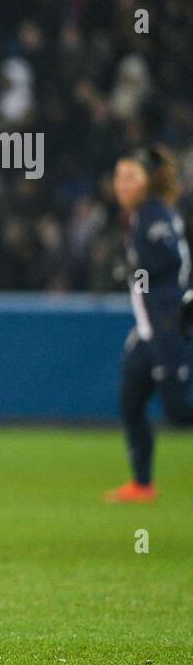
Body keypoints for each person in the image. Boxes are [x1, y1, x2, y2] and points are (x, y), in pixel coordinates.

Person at [106, 145, 193, 503]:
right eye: (118, 177)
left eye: (130, 178)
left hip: (169, 324)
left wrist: (134, 271)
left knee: (179, 411)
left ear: (148, 182)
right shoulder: (141, 215)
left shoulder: (155, 214)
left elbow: (168, 259)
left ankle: (142, 483)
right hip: (148, 328)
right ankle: (142, 484)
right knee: (131, 399)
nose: (121, 185)